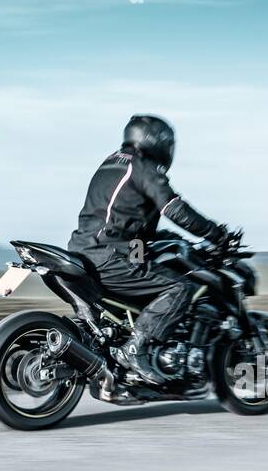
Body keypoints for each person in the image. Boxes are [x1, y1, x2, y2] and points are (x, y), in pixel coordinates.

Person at [68, 115, 232, 385]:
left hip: (82, 251)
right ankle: (137, 349)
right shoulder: (143, 167)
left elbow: (124, 218)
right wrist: (216, 234)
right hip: (111, 258)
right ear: (156, 142)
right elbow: (174, 209)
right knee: (179, 288)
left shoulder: (110, 163)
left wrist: (168, 237)